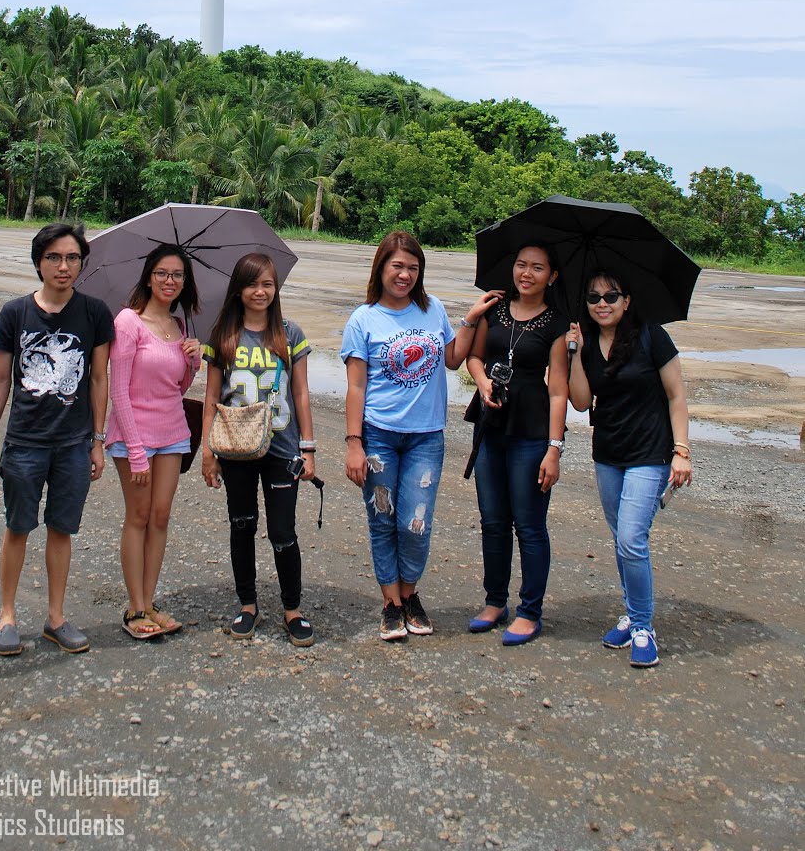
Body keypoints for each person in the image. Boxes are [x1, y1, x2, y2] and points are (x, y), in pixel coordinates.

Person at [341, 230, 477, 641]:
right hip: (378, 435)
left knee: (415, 523)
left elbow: (454, 361)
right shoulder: (362, 319)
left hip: (426, 437)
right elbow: (356, 387)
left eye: (413, 268)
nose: (404, 275)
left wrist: (471, 319)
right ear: (381, 267)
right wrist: (353, 443)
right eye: (397, 266)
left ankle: (410, 594)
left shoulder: (433, 309)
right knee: (383, 520)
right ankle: (391, 604)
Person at [0, 222, 113, 657]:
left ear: (82, 263)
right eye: (54, 258)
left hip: (74, 443)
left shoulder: (95, 313)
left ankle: (55, 617)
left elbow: (99, 379)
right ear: (39, 262)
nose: (64, 266)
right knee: (18, 526)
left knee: (62, 529)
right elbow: (0, 381)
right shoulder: (14, 313)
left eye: (72, 258)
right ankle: (7, 615)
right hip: (24, 441)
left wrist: (98, 439)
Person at [566, 273, 693, 668]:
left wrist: (682, 451)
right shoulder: (586, 342)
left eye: (610, 296)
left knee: (631, 539)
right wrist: (573, 353)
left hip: (649, 454)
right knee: (621, 538)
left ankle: (642, 626)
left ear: (626, 300)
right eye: (593, 297)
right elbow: (583, 402)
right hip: (608, 454)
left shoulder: (651, 336)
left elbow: (676, 395)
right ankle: (632, 610)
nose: (602, 303)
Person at [201, 252, 317, 646]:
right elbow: (211, 397)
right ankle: (247, 604)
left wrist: (310, 448)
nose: (260, 291)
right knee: (242, 525)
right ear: (239, 289)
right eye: (252, 283)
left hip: (283, 448)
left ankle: (292, 609)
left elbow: (301, 393)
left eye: (268, 283)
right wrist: (207, 452)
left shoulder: (290, 333)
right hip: (235, 449)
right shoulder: (223, 336)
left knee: (283, 532)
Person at [464, 243, 569, 646]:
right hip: (491, 424)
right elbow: (474, 357)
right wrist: (483, 380)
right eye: (521, 264)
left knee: (528, 525)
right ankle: (494, 602)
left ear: (552, 276)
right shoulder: (495, 308)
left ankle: (529, 611)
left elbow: (558, 390)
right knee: (492, 521)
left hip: (531, 430)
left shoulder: (558, 324)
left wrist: (554, 448)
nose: (526, 273)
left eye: (537, 268)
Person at [105, 244, 203, 639]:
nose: (169, 281)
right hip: (135, 436)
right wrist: (136, 452)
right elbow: (119, 390)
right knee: (139, 516)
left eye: (177, 275)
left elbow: (177, 388)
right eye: (162, 273)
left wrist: (193, 362)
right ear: (149, 276)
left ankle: (150, 600)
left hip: (174, 433)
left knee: (161, 517)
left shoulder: (180, 326)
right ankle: (135, 608)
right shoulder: (128, 322)